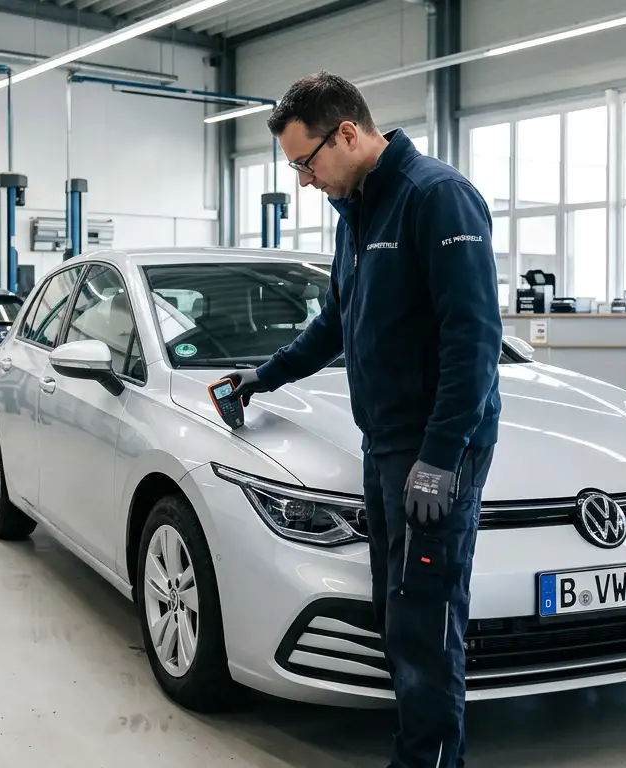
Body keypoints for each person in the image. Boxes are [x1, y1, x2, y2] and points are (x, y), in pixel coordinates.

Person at [228, 72, 502, 768]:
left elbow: (473, 339)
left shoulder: (435, 198)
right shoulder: (357, 213)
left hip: (433, 449)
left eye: (306, 162)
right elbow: (335, 323)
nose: (303, 180)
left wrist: (441, 456)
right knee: (397, 612)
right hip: (384, 444)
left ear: (346, 133)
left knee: (424, 619)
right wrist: (264, 376)